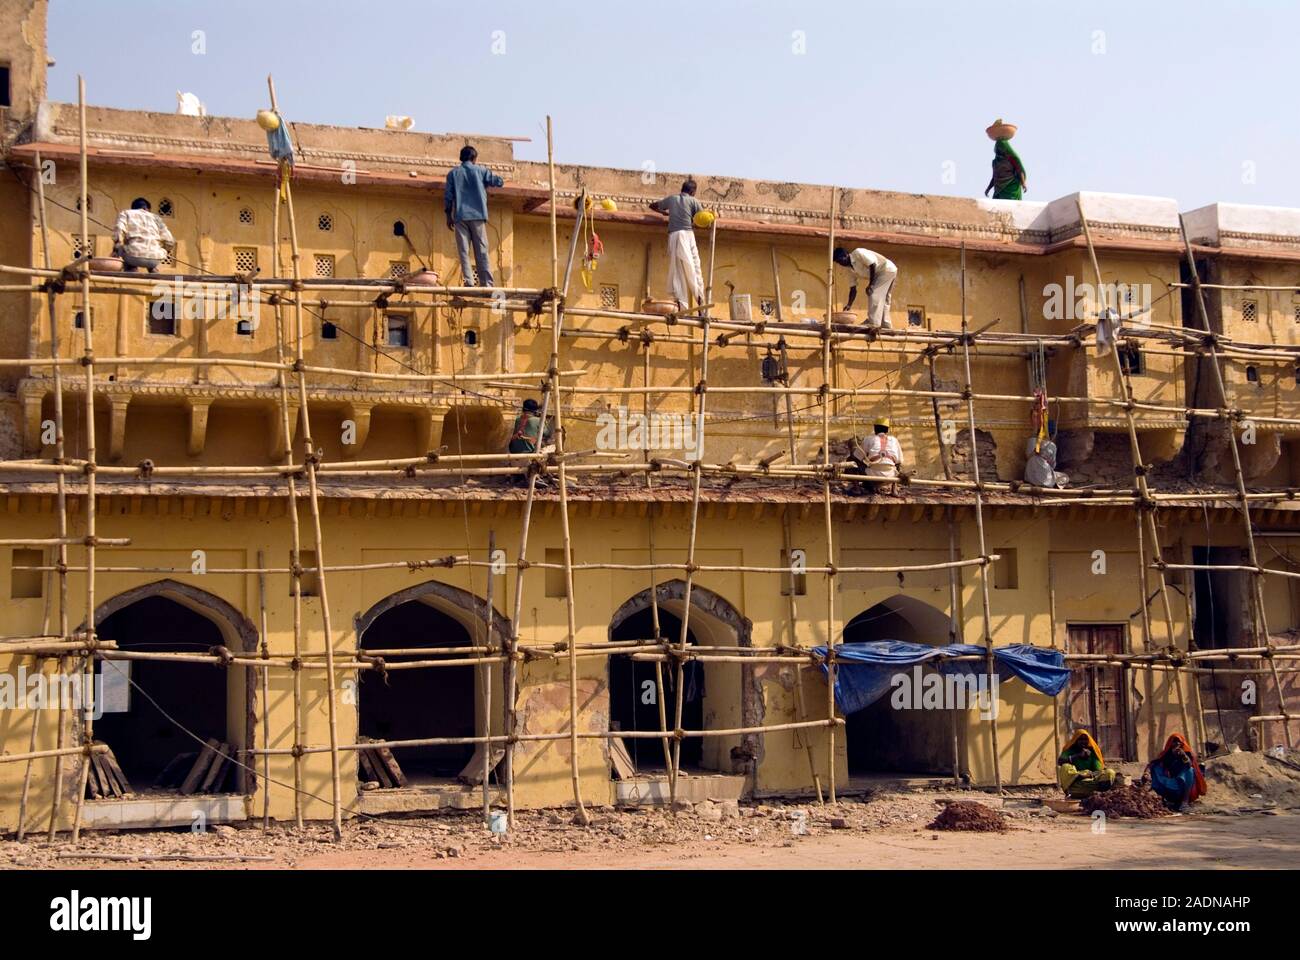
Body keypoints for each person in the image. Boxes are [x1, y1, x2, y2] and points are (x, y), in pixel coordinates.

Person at [445, 144, 504, 287]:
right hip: (478, 215)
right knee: (482, 250)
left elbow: (448, 196)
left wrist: (448, 215)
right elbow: (499, 182)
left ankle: (469, 281)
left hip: (460, 216)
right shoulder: (481, 171)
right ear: (474, 158)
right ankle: (486, 283)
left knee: (464, 251)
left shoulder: (453, 174)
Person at [648, 178, 706, 310]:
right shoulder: (693, 201)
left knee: (678, 270)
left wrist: (664, 213)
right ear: (692, 191)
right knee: (694, 268)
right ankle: (701, 302)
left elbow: (652, 206)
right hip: (687, 234)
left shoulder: (672, 199)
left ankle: (682, 304)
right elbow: (702, 219)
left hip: (674, 236)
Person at [833, 246, 897, 328]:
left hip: (886, 269)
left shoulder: (858, 253)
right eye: (838, 262)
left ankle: (873, 322)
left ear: (846, 255)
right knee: (884, 299)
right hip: (885, 272)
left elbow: (872, 264)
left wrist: (871, 285)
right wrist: (849, 304)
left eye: (840, 259)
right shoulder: (850, 270)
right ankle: (886, 324)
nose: (840, 263)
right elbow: (853, 288)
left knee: (873, 293)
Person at [112, 197, 174, 273]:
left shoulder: (126, 213)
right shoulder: (156, 218)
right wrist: (164, 251)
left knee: (122, 247)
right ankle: (152, 268)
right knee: (155, 248)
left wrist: (115, 249)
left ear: (133, 208)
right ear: (147, 209)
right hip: (155, 260)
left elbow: (119, 230)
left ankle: (131, 269)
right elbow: (170, 241)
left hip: (132, 257)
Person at [1147, 733, 1206, 811]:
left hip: (1185, 785)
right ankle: (1164, 801)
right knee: (1156, 768)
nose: (1177, 743)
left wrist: (1183, 755)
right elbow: (1153, 764)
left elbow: (1189, 764)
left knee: (1190, 771)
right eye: (1174, 741)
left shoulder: (1187, 753)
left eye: (1179, 742)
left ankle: (1184, 803)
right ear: (1171, 743)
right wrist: (1146, 773)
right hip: (1171, 785)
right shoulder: (1167, 755)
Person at [1057, 729, 1121, 799]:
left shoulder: (1092, 752)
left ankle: (1098, 794)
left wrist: (1087, 775)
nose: (1083, 742)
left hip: (1090, 782)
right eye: (1080, 739)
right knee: (1065, 766)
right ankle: (1073, 793)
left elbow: (1098, 770)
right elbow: (1060, 761)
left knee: (1110, 772)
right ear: (1075, 741)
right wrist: (1078, 756)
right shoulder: (1070, 750)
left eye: (1085, 739)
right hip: (1076, 784)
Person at [1024, 421, 1069, 489]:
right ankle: (1050, 484)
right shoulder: (1052, 445)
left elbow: (1027, 456)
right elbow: (1053, 465)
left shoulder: (1032, 440)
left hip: (1029, 477)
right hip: (1045, 477)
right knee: (1064, 477)